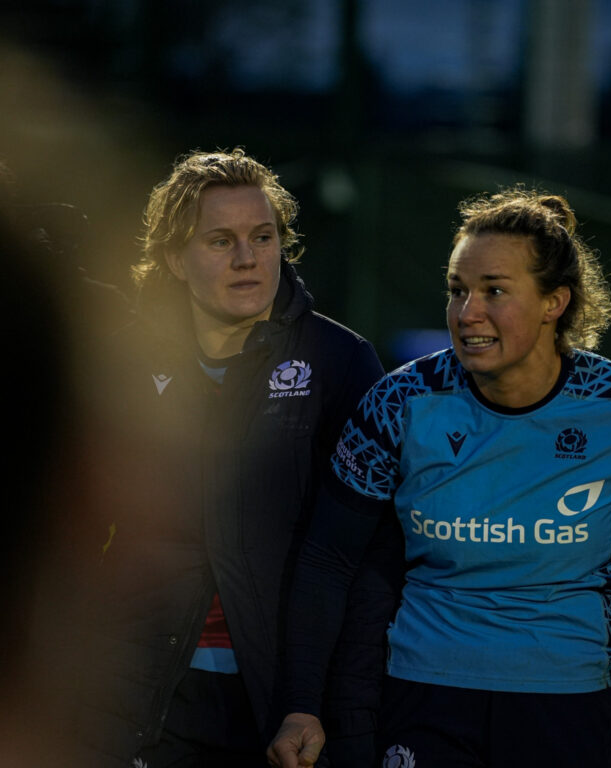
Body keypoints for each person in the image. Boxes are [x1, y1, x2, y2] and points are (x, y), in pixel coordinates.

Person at [269, 187, 611, 768]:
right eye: (457, 290)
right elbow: (326, 559)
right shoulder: (399, 401)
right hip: (423, 697)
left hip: (572, 703)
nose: (467, 314)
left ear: (553, 302)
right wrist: (300, 705)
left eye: (494, 291)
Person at [70, 148, 388, 767]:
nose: (248, 259)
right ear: (174, 259)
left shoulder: (340, 362)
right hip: (142, 695)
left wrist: (327, 705)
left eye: (263, 237)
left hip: (287, 701)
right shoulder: (122, 363)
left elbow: (370, 556)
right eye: (220, 241)